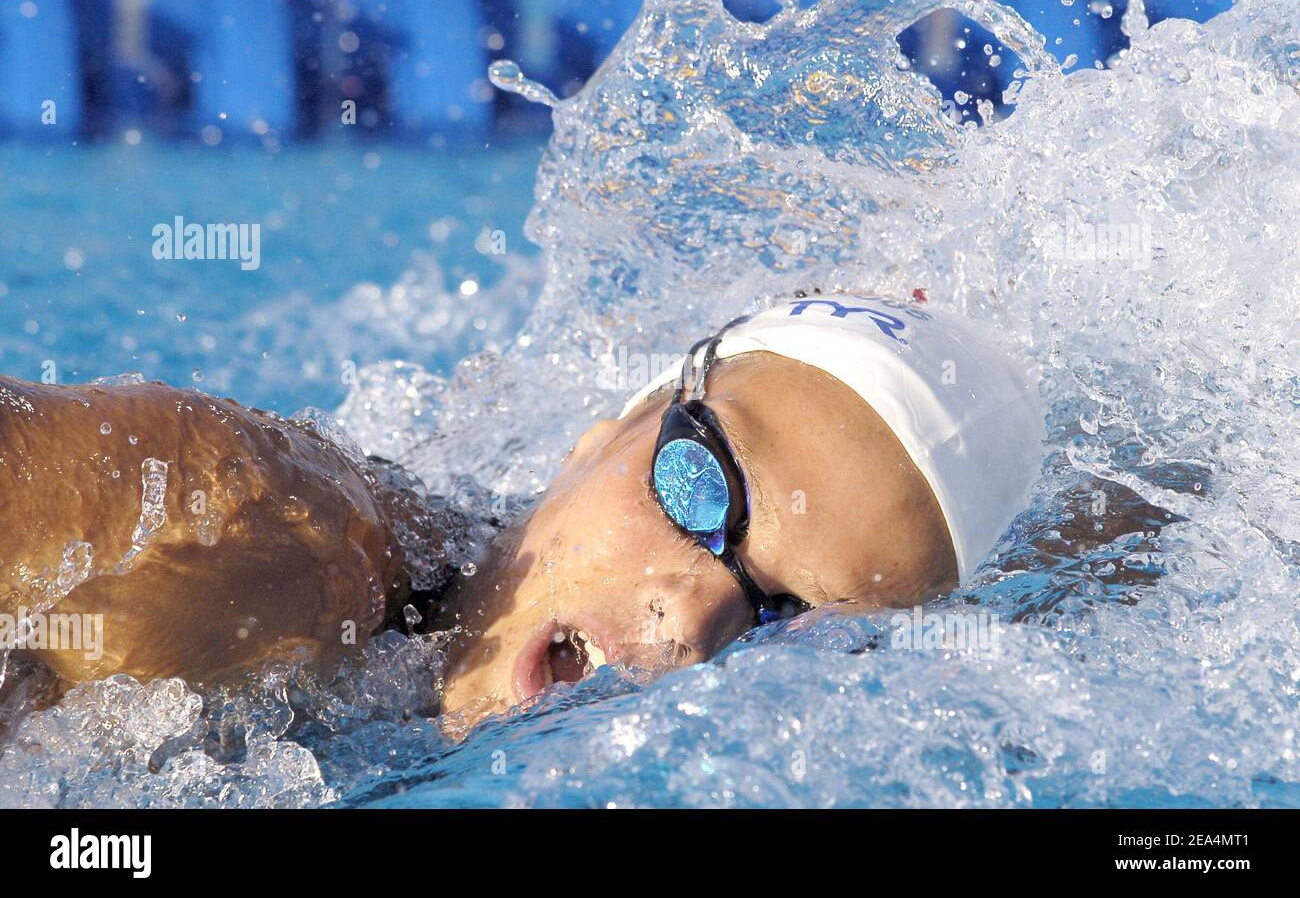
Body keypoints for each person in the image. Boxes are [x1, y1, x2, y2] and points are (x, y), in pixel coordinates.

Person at [0, 294, 1044, 731]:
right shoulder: (260, 523)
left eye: (778, 610)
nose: (689, 620)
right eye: (701, 494)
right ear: (610, 427)